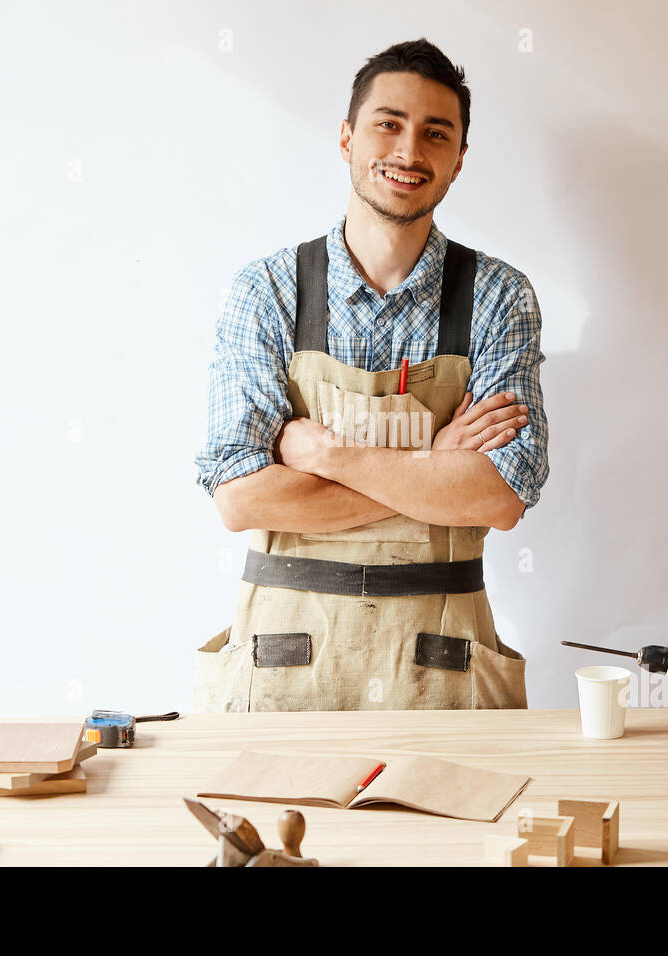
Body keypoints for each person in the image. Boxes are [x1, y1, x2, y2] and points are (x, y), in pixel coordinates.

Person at [193, 38, 549, 712]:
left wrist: (325, 453)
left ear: (458, 160)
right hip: (283, 666)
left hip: (445, 666)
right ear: (347, 138)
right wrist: (434, 463)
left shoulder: (498, 296)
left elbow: (501, 496)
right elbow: (240, 499)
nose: (409, 152)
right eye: (388, 124)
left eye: (434, 134)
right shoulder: (267, 291)